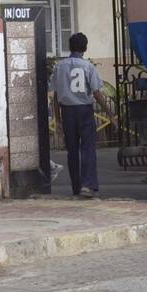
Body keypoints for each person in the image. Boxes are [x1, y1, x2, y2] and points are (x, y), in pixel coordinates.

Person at [50, 33, 112, 198]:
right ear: (85, 48)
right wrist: (109, 113)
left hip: (67, 110)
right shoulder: (88, 67)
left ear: (70, 47)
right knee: (88, 149)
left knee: (72, 150)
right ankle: (87, 185)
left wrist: (57, 119)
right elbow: (97, 93)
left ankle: (76, 187)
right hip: (84, 110)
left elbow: (55, 96)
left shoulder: (59, 66)